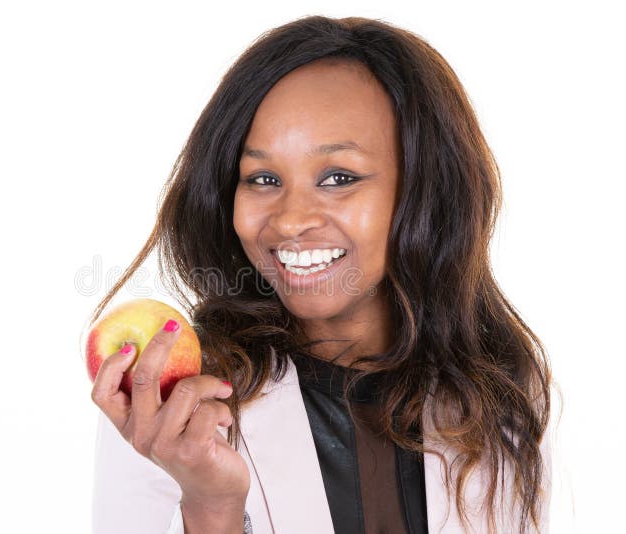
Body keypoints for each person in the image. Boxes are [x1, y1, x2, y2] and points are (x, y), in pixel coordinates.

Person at [88, 15, 553, 534]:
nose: (289, 220)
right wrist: (211, 506)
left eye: (338, 178)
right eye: (263, 178)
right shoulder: (169, 401)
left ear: (424, 189)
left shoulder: (502, 389)